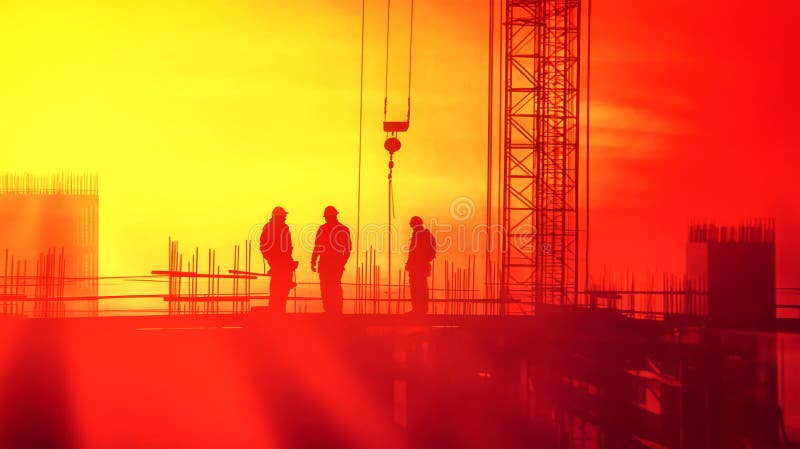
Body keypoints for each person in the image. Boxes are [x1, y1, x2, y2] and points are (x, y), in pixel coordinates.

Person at [311, 205, 351, 314]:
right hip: (332, 264)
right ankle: (334, 310)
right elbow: (347, 250)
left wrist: (313, 261)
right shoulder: (343, 229)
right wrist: (342, 262)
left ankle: (332, 310)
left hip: (327, 264)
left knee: (329, 288)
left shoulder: (324, 229)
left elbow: (317, 247)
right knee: (333, 287)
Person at [259, 206, 298, 313]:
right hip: (278, 264)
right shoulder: (272, 228)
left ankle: (278, 313)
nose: (285, 218)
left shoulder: (281, 227)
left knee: (282, 291)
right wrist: (274, 261)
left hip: (282, 264)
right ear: (278, 217)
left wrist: (288, 261)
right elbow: (265, 247)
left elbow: (288, 247)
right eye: (283, 216)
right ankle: (276, 314)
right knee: (278, 292)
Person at [405, 216, 436, 315]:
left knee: (418, 288)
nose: (412, 228)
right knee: (419, 288)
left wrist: (415, 263)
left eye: (412, 226)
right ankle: (420, 309)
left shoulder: (421, 236)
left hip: (418, 268)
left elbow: (416, 253)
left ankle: (419, 309)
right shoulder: (425, 235)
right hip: (419, 267)